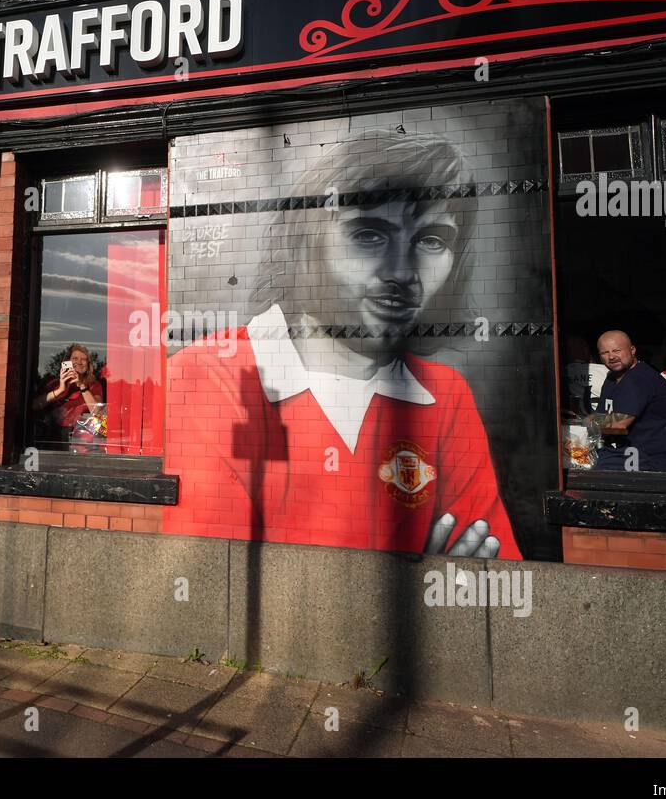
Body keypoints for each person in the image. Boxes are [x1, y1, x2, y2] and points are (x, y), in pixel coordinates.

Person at [162, 129, 521, 559]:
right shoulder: (210, 372)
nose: (402, 274)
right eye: (369, 234)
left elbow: (486, 588)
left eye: (431, 241)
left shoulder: (445, 394)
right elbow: (221, 582)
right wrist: (422, 579)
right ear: (304, 239)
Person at [588, 330, 666, 473]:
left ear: (633, 350)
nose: (611, 357)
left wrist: (586, 423)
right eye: (605, 353)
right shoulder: (612, 378)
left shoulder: (639, 378)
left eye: (617, 350)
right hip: (639, 454)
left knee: (601, 471)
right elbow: (602, 416)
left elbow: (617, 424)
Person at [30, 343, 104, 449]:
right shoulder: (54, 383)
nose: (79, 362)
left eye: (84, 359)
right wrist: (60, 390)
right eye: (75, 358)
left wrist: (82, 385)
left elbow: (97, 411)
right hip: (52, 437)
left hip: (81, 439)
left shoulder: (93, 385)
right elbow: (35, 405)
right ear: (67, 362)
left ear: (88, 365)